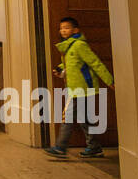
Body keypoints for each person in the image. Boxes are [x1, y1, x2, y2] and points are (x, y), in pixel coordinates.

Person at [45, 17, 114, 159]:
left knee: (67, 116)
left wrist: (109, 81)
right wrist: (60, 68)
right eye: (61, 28)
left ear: (75, 30)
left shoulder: (79, 45)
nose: (63, 30)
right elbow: (72, 64)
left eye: (67, 27)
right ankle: (94, 147)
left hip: (81, 88)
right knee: (84, 118)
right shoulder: (69, 46)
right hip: (76, 88)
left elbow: (95, 63)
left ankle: (60, 147)